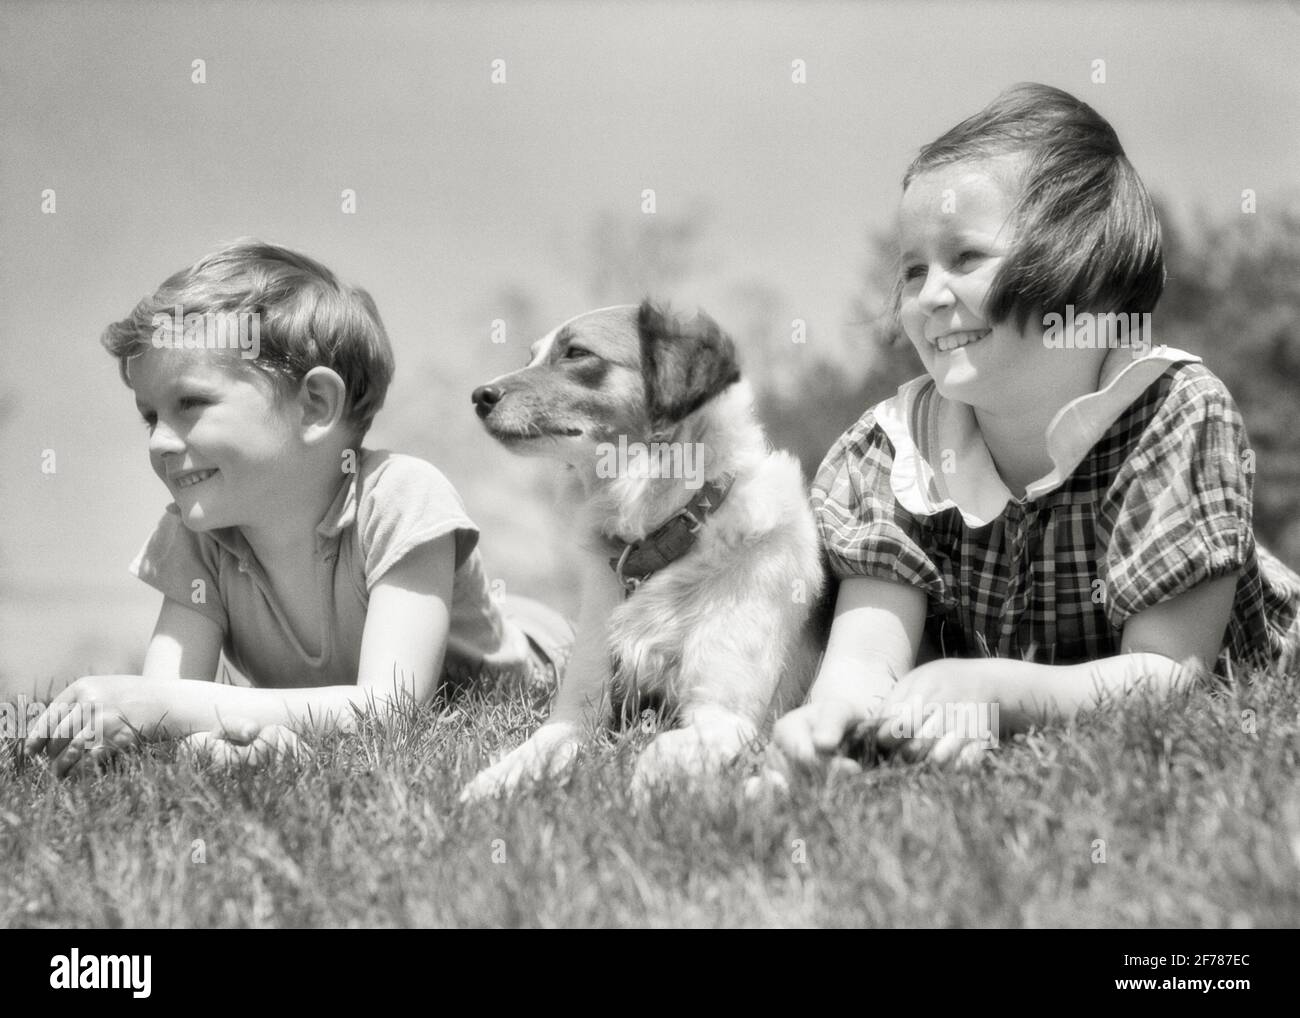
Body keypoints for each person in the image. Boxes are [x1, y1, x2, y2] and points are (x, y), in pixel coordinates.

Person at [774, 83, 1300, 771]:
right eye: (911, 270)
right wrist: (838, 723)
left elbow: (1168, 676)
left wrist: (990, 690)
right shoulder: (894, 454)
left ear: (1084, 266)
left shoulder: (1172, 417)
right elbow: (867, 656)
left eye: (965, 258)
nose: (929, 295)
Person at [25, 240, 571, 776]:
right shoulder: (196, 539)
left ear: (315, 405)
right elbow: (165, 705)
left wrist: (159, 709)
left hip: (543, 658)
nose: (160, 443)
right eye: (150, 416)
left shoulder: (400, 496)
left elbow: (391, 712)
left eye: (190, 403)